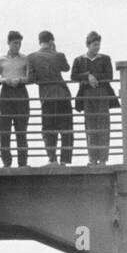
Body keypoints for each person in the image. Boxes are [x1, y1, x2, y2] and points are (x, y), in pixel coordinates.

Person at [26, 30, 73, 166]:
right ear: (51, 41)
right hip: (63, 95)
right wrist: (55, 50)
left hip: (47, 97)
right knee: (66, 129)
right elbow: (66, 68)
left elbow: (31, 78)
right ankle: (64, 160)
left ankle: (52, 159)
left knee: (48, 129)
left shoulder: (31, 57)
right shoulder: (59, 55)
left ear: (39, 41)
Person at [70, 31, 118, 165]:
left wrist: (93, 77)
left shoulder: (105, 58)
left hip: (102, 93)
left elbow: (109, 75)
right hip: (87, 95)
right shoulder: (79, 60)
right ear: (88, 45)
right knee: (90, 126)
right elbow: (73, 76)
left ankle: (103, 158)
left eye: (98, 45)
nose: (97, 47)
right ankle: (92, 158)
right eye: (94, 45)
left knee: (103, 125)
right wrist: (87, 76)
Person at [0, 30, 31, 169]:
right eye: (15, 43)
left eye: (19, 43)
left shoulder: (26, 59)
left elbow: (30, 78)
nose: (17, 46)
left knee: (21, 129)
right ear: (8, 43)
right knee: (5, 130)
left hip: (21, 92)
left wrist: (20, 79)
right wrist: (4, 80)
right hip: (6, 93)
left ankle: (23, 163)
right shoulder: (0, 60)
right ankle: (6, 162)